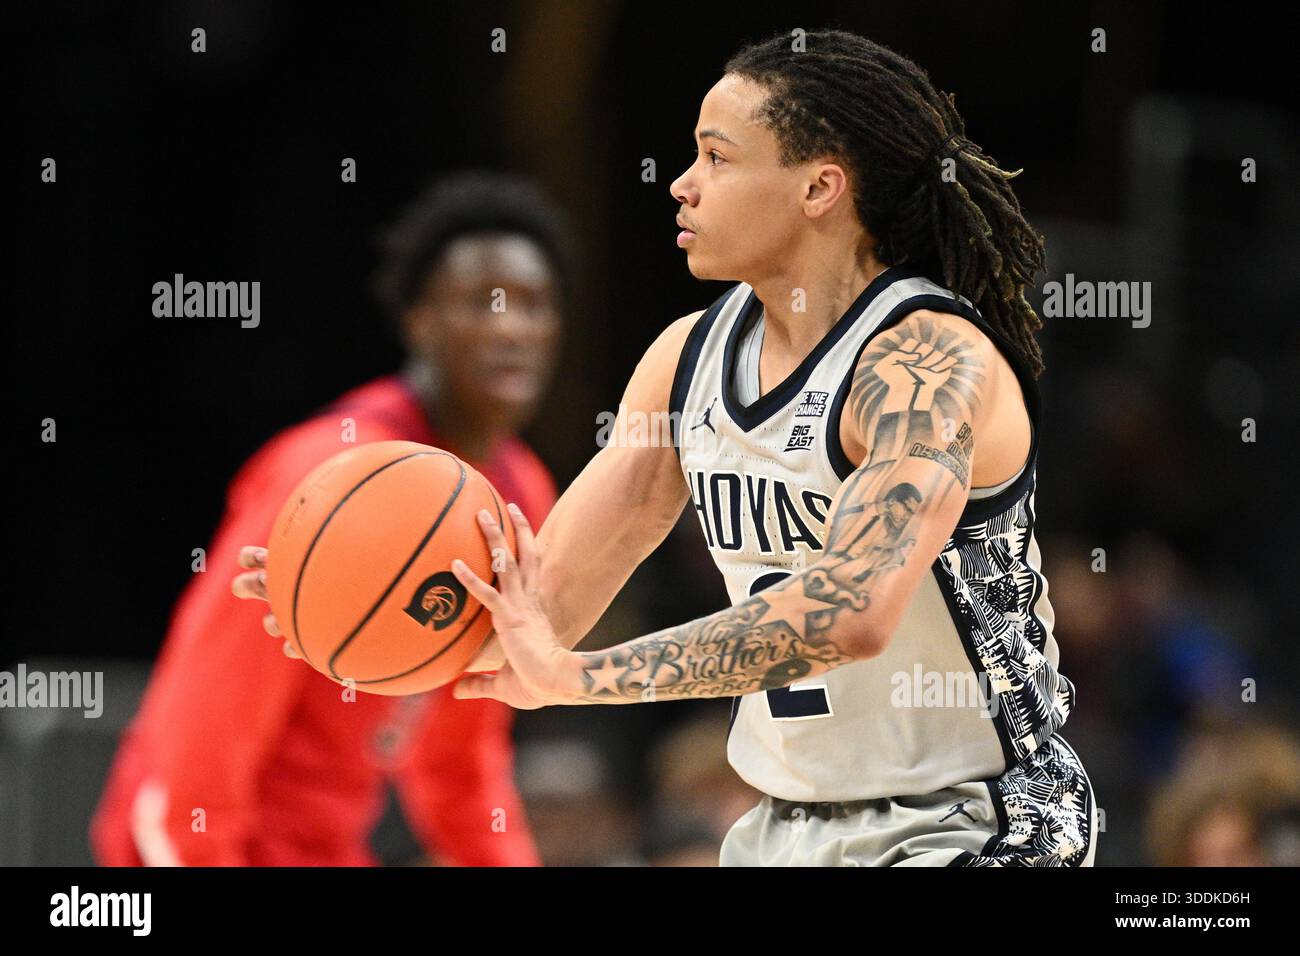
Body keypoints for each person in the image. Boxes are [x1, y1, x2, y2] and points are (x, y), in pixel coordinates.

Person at [238, 28, 1096, 867]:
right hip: (785, 827)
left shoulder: (928, 362)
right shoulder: (686, 363)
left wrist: (582, 677)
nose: (682, 185)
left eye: (718, 158)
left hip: (979, 821)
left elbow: (849, 612)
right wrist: (350, 598)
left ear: (820, 187)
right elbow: (531, 618)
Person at [93, 171, 574, 866]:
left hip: (325, 846)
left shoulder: (523, 491)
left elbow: (461, 757)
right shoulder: (330, 472)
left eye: (535, 305)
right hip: (196, 837)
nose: (513, 327)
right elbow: (207, 714)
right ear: (420, 320)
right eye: (481, 303)